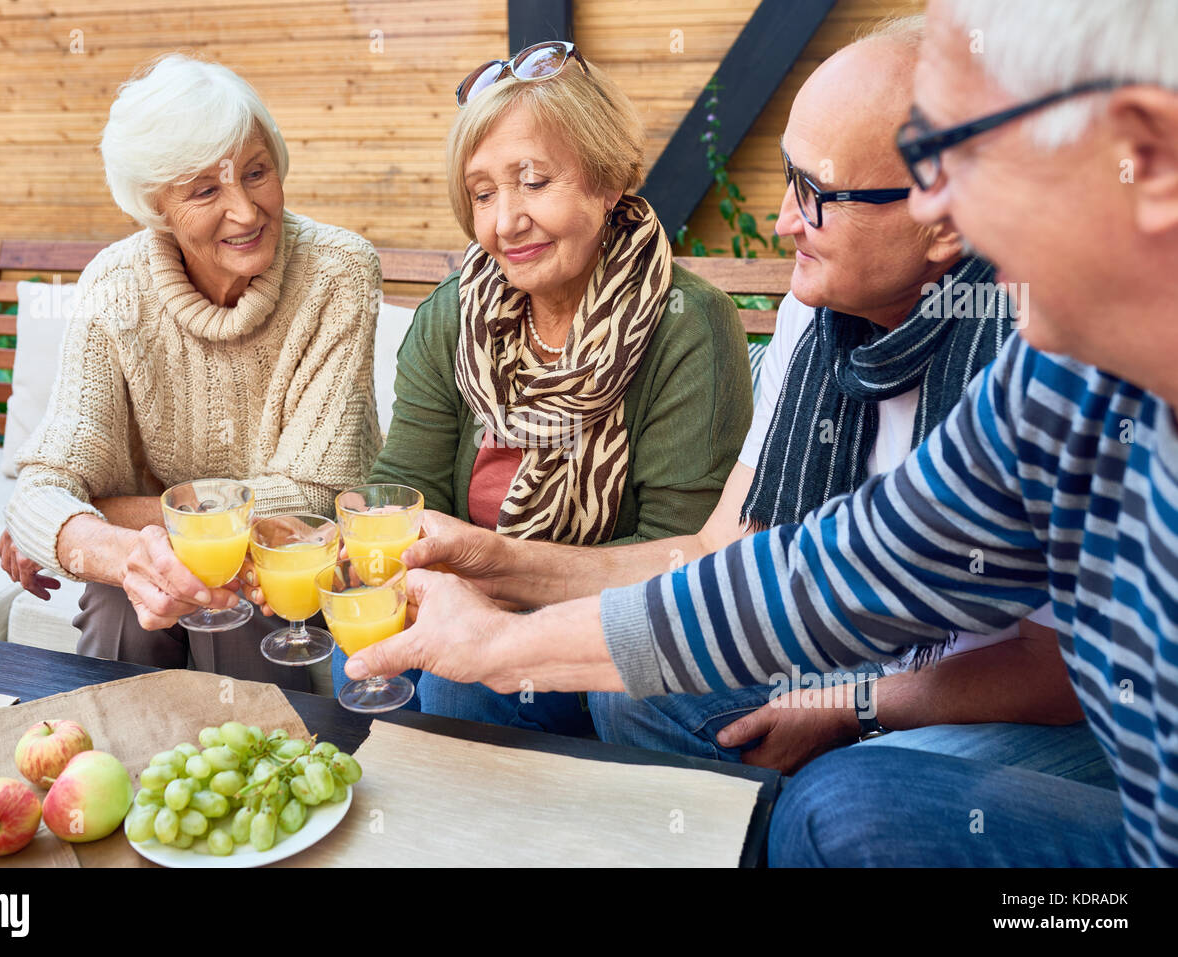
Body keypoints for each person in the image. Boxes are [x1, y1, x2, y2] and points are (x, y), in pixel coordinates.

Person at [344, 0, 1178, 867]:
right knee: (645, 703)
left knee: (844, 809)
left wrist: (853, 707)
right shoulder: (1061, 379)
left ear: (1145, 155)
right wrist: (498, 625)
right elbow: (832, 572)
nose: (948, 211)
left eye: (976, 160)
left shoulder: (1044, 348)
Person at [241, 42, 749, 727]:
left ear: (606, 182)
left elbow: (678, 559)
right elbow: (404, 487)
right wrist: (347, 548)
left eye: (534, 181)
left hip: (600, 639)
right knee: (361, 646)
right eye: (483, 194)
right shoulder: (453, 314)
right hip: (461, 597)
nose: (504, 222)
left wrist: (497, 590)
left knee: (463, 686)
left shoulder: (689, 325)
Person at [0, 53, 383, 692]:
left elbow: (312, 495)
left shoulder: (337, 272)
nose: (246, 210)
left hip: (291, 564)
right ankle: (119, 778)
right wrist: (107, 544)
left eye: (256, 173)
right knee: (126, 600)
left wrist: (101, 512)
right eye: (205, 191)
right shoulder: (115, 285)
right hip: (189, 556)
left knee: (244, 595)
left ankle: (266, 781)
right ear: (156, 206)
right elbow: (41, 490)